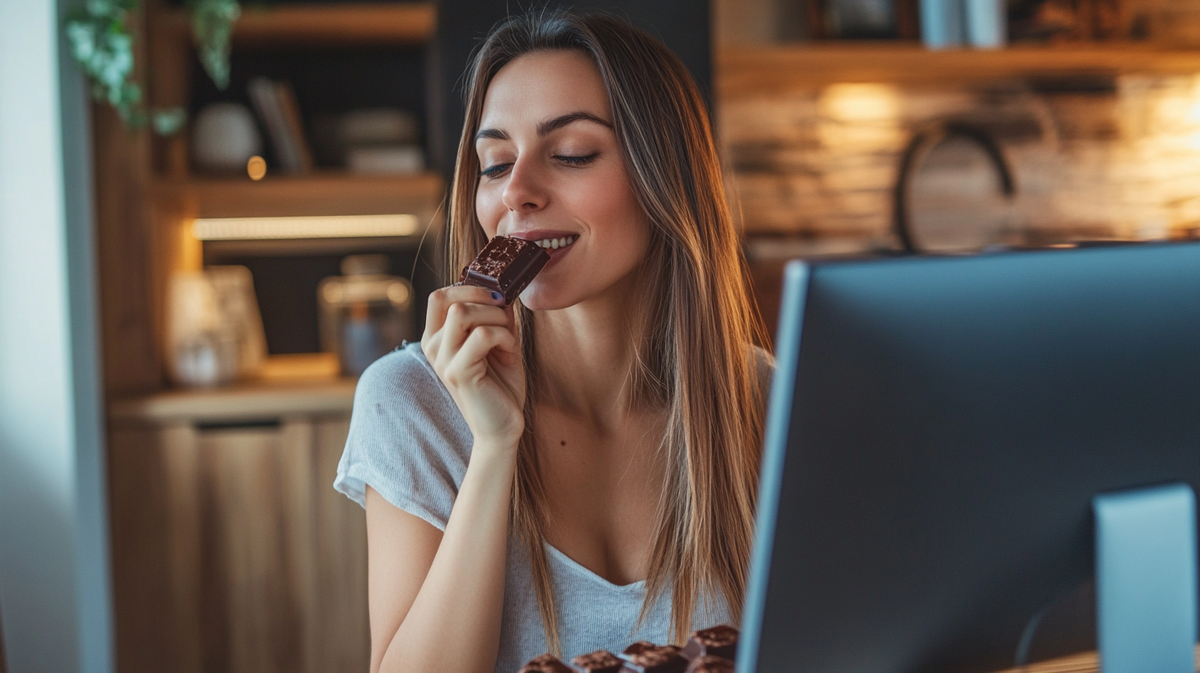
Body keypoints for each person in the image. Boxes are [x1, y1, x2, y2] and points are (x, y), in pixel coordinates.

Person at [334, 9, 771, 673]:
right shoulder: (411, 405)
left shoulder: (768, 401)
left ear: (665, 177)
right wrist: (493, 447)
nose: (517, 190)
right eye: (496, 161)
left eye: (571, 154)